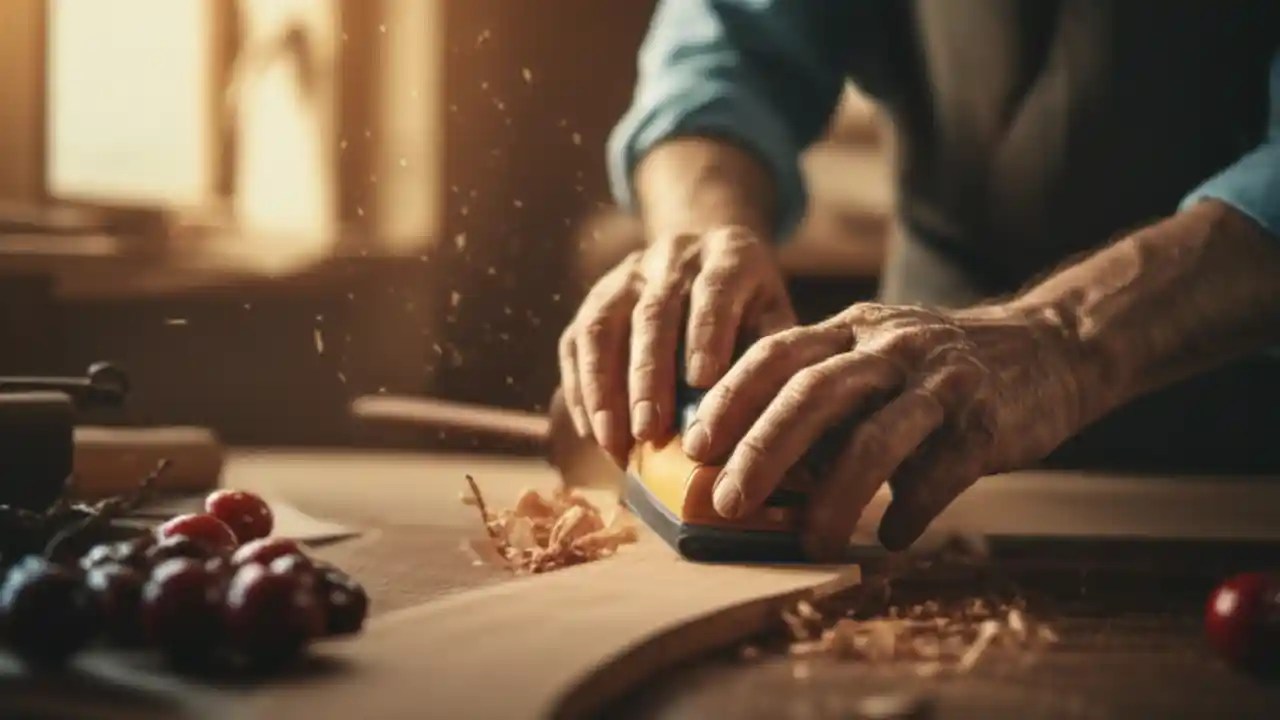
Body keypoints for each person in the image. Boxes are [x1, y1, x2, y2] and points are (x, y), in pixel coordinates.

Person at [557, 1, 1280, 558]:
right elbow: (729, 45)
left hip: (1240, 469)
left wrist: (1069, 336)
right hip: (917, 455)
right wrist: (707, 229)